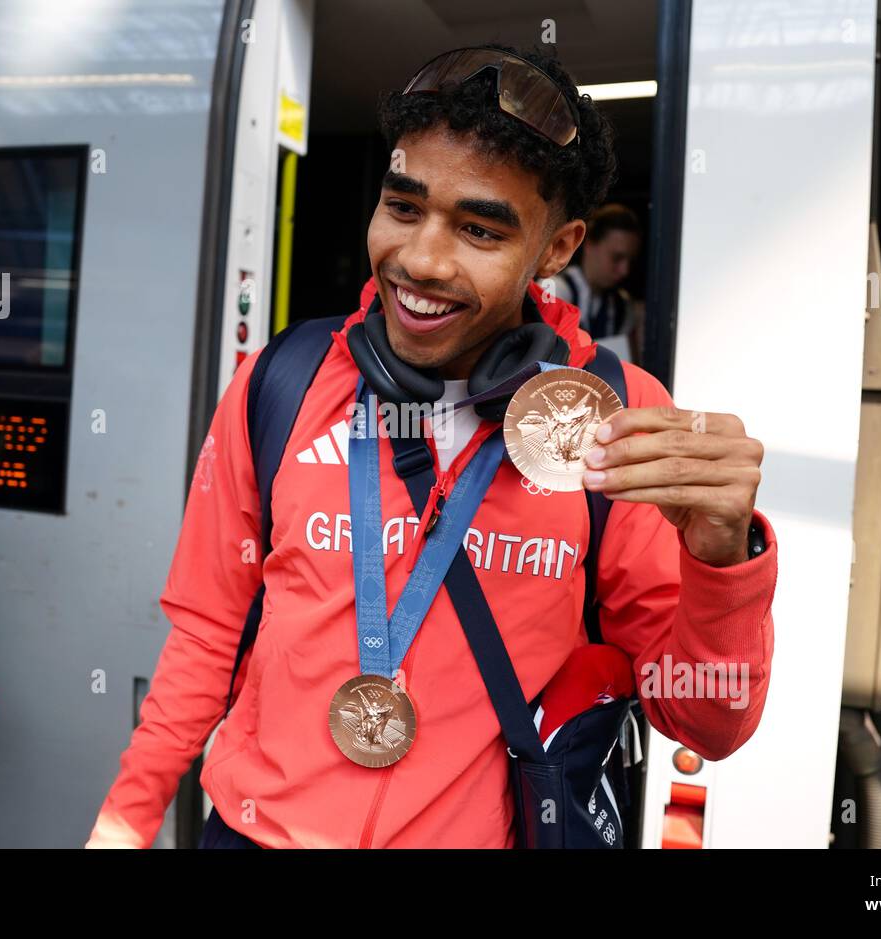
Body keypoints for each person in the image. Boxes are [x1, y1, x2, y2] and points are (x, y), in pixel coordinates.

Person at [88, 43, 776, 849]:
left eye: (480, 229)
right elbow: (207, 636)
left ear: (558, 249)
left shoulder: (617, 419)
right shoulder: (281, 381)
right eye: (404, 207)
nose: (420, 259)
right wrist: (126, 820)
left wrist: (722, 561)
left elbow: (706, 722)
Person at [545, 203, 644, 364]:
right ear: (589, 245)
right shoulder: (553, 289)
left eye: (630, 261)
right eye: (616, 258)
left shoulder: (624, 307)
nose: (624, 271)